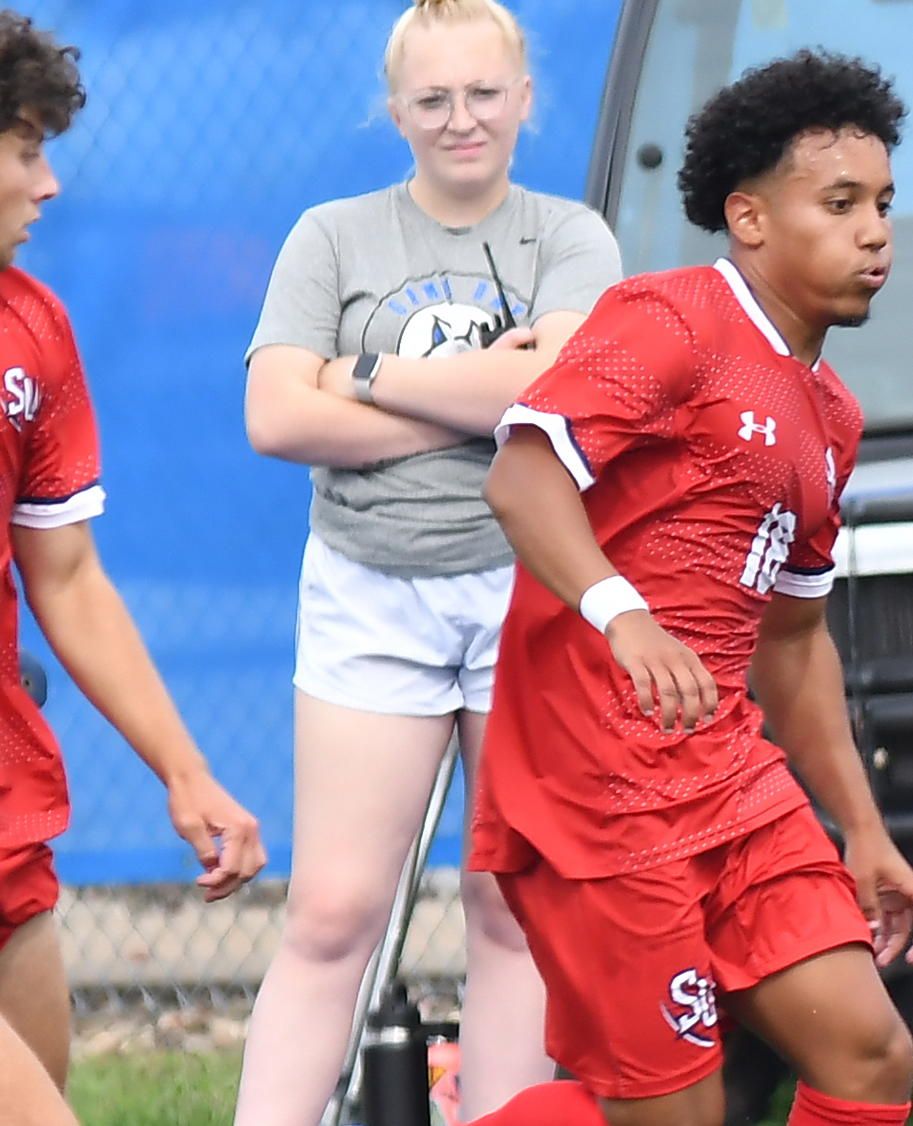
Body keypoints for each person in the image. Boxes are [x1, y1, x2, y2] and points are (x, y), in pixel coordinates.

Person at [466, 50, 913, 1126]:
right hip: (593, 791)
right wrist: (620, 611)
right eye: (838, 203)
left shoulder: (832, 417)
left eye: (881, 203)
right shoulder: (668, 319)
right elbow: (522, 476)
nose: (874, 231)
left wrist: (862, 831)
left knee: (870, 1054)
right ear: (749, 217)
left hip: (729, 779)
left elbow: (791, 645)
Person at [234, 1, 624, 1122]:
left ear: (525, 99)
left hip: (526, 590)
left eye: (485, 94)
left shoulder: (570, 239)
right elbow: (271, 414)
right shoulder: (332, 235)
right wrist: (477, 405)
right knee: (333, 913)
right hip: (369, 593)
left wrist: (353, 374)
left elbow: (547, 394)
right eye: (434, 99)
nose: (463, 120)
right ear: (394, 109)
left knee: (513, 908)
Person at [0, 14, 266, 1125]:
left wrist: (185, 768)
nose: (50, 184)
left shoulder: (35, 331)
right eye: (24, 150)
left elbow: (66, 577)